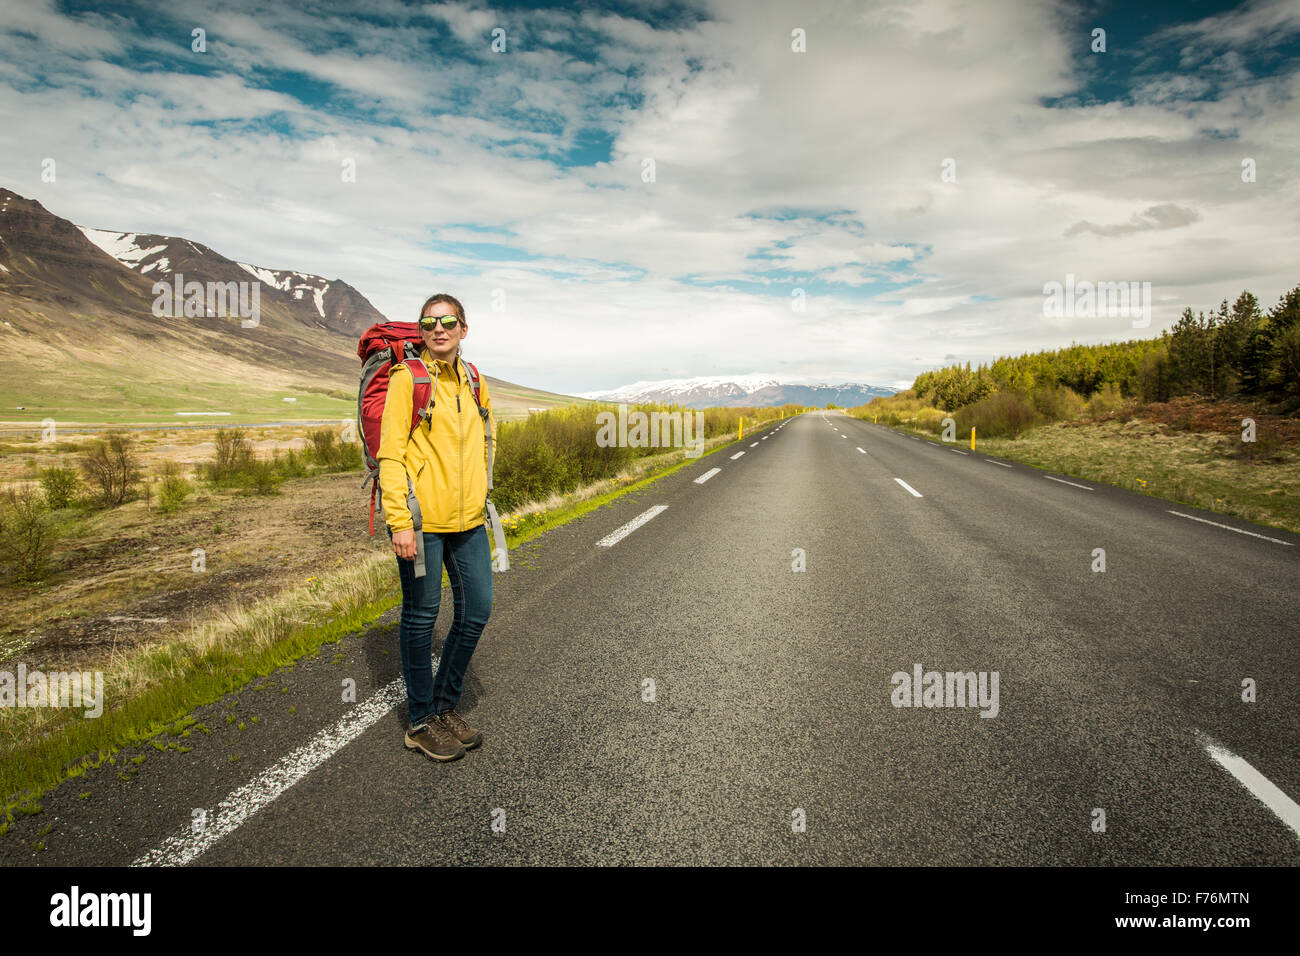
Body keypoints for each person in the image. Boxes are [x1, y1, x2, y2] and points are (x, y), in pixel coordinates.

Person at [377, 292, 495, 763]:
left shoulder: (476, 382)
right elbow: (390, 453)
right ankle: (422, 720)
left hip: (469, 521)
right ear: (421, 332)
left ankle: (447, 706)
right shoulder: (408, 379)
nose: (438, 329)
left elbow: (488, 441)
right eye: (428, 323)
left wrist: (484, 494)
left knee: (477, 611)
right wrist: (399, 522)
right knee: (422, 618)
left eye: (447, 321)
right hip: (422, 525)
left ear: (464, 329)